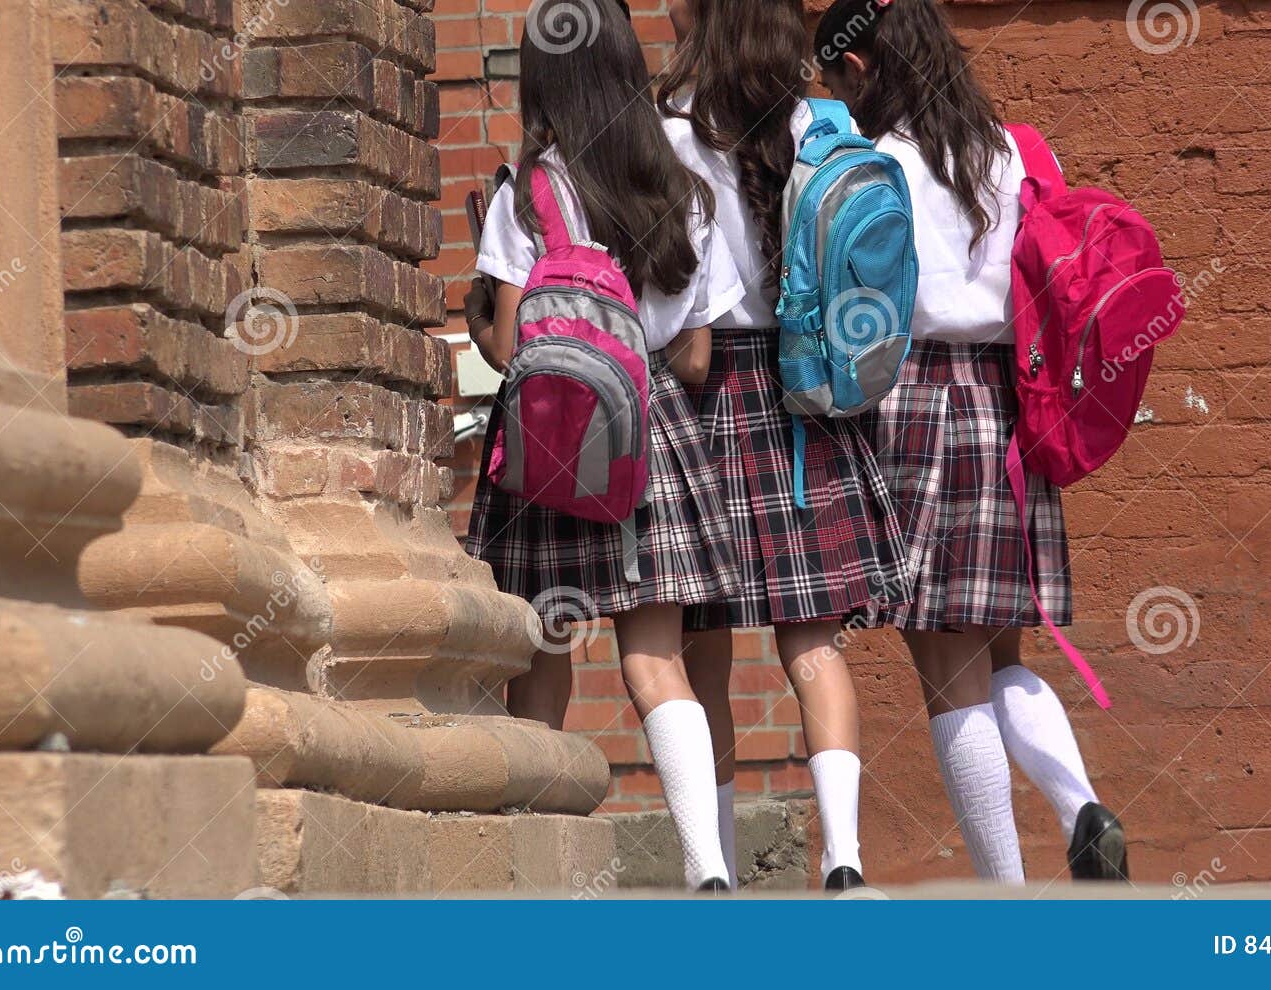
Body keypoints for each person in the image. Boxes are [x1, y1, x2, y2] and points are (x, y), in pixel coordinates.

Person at [812, 0, 1129, 883]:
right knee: (1004, 651)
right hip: (1009, 406)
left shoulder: (874, 163)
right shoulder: (1013, 152)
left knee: (946, 669)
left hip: (914, 407)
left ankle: (1006, 895)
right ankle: (1082, 805)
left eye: (834, 77)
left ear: (860, 67)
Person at [463, 0, 746, 892]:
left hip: (552, 434)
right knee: (656, 663)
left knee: (543, 652)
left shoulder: (528, 192)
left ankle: (538, 873)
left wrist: (479, 322)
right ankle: (708, 870)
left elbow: (512, 348)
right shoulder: (681, 186)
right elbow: (696, 359)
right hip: (652, 433)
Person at [660, 0, 910, 893]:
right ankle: (845, 861)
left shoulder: (676, 132)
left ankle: (715, 873)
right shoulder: (820, 123)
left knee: (703, 652)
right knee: (815, 646)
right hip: (808, 388)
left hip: (706, 391)